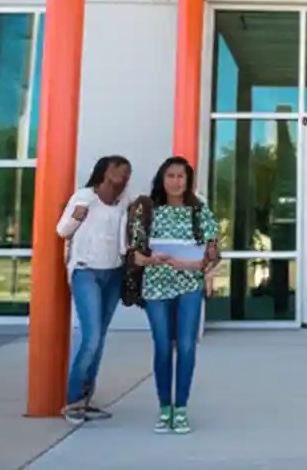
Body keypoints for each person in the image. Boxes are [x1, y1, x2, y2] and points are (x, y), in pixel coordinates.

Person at [130, 156, 220, 434]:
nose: (176, 181)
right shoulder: (146, 210)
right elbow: (134, 253)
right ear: (162, 178)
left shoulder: (199, 210)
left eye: (181, 176)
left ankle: (181, 408)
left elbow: (213, 253)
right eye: (171, 176)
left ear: (188, 181)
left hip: (189, 285)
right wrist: (150, 259)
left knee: (187, 346)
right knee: (161, 345)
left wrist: (192, 264)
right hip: (156, 285)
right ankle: (164, 407)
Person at [57, 155, 133, 424]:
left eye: (127, 172)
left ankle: (86, 400)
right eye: (118, 170)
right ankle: (72, 401)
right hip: (86, 271)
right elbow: (62, 230)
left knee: (99, 340)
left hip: (113, 274)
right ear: (104, 171)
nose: (123, 176)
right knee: (90, 337)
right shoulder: (84, 196)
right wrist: (76, 217)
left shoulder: (123, 202)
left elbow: (124, 242)